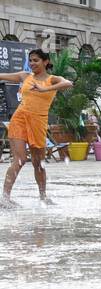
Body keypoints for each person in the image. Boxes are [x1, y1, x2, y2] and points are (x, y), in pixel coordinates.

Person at [1, 49, 73, 206]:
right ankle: (4, 198)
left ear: (45, 62)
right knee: (20, 159)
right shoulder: (25, 76)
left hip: (38, 122)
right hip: (19, 118)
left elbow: (68, 83)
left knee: (38, 163)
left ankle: (43, 196)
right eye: (31, 60)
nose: (32, 63)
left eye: (36, 60)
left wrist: (44, 89)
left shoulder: (53, 79)